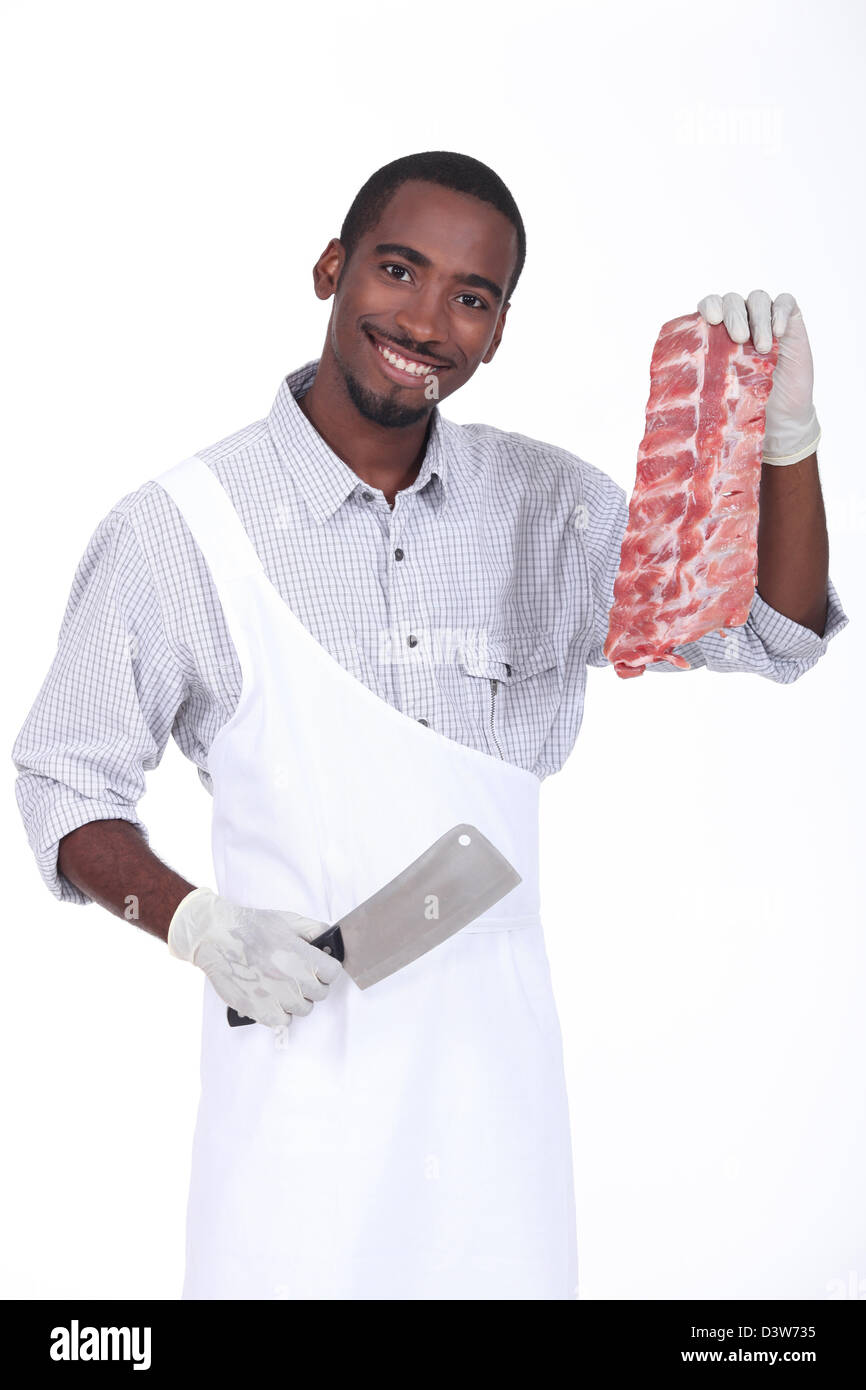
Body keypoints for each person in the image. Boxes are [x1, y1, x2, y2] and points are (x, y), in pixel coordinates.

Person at [12, 150, 848, 1301]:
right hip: (293, 1105)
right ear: (330, 267)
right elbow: (65, 779)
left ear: (499, 331)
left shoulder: (547, 509)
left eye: (471, 295)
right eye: (397, 270)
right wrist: (194, 923)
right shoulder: (180, 530)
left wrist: (785, 444)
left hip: (495, 1114)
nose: (425, 319)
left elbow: (771, 636)